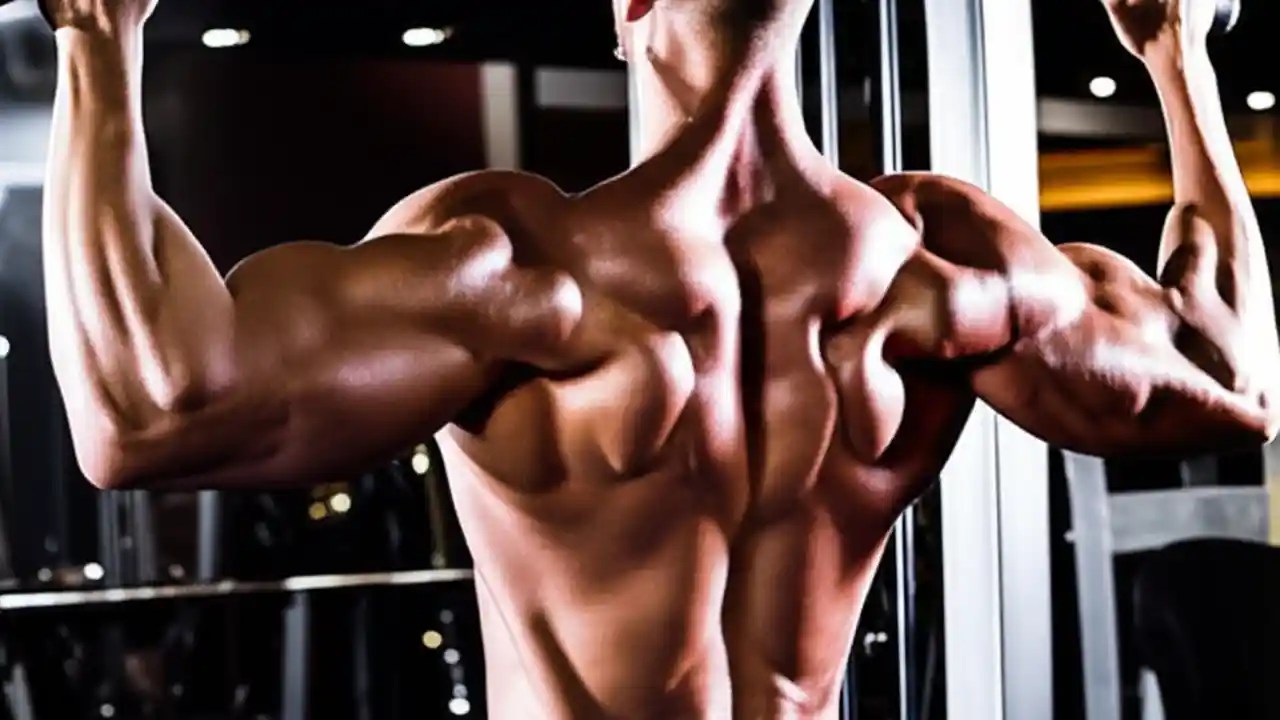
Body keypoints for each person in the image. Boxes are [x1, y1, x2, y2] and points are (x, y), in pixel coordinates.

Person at [39, 0, 1276, 716]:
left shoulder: (524, 267)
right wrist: (1177, 57)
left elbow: (145, 410)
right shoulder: (934, 272)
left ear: (630, 12)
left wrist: (103, 37)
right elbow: (1234, 384)